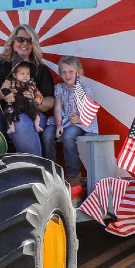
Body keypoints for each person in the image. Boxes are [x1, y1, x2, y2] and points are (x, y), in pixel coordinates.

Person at [0, 26, 56, 156]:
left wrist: (35, 100)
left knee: (20, 123)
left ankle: (34, 168)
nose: (24, 43)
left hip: (30, 113)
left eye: (29, 40)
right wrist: (3, 93)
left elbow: (50, 102)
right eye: (20, 39)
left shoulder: (41, 69)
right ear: (12, 41)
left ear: (33, 45)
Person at [44, 56, 99, 187]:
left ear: (78, 72)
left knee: (68, 137)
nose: (67, 75)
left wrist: (79, 119)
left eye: (70, 71)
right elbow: (57, 107)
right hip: (62, 120)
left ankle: (74, 175)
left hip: (80, 122)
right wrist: (58, 125)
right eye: (64, 72)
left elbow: (90, 114)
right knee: (46, 135)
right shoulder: (59, 88)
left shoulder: (84, 90)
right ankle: (51, 173)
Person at [0, 61, 45, 134]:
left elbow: (37, 93)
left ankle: (37, 125)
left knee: (36, 113)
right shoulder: (10, 82)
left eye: (28, 74)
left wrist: (37, 98)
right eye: (22, 74)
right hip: (15, 104)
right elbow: (3, 90)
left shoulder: (31, 84)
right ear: (15, 75)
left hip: (27, 104)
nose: (25, 76)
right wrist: (9, 91)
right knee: (9, 112)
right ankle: (12, 127)